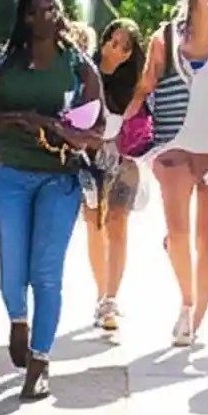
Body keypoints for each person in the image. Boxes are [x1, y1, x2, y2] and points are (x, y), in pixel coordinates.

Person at [0, 0, 105, 401]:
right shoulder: (2, 64)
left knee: (46, 272)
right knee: (11, 273)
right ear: (23, 18)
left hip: (60, 175)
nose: (43, 17)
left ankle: (40, 362)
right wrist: (24, 117)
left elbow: (98, 129)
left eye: (51, 9)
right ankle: (18, 320)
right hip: (12, 174)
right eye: (34, 11)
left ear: (61, 13)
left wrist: (64, 130)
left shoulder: (79, 65)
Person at [125, 0, 208, 348]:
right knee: (179, 234)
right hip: (173, 145)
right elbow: (144, 88)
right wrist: (114, 132)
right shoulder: (166, 37)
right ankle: (187, 300)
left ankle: (195, 318)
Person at [83, 18, 147, 331]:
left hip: (124, 159)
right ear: (104, 40)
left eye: (125, 46)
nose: (117, 49)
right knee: (95, 224)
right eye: (113, 40)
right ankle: (100, 294)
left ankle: (110, 299)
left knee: (118, 223)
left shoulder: (135, 84)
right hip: (88, 159)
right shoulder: (85, 72)